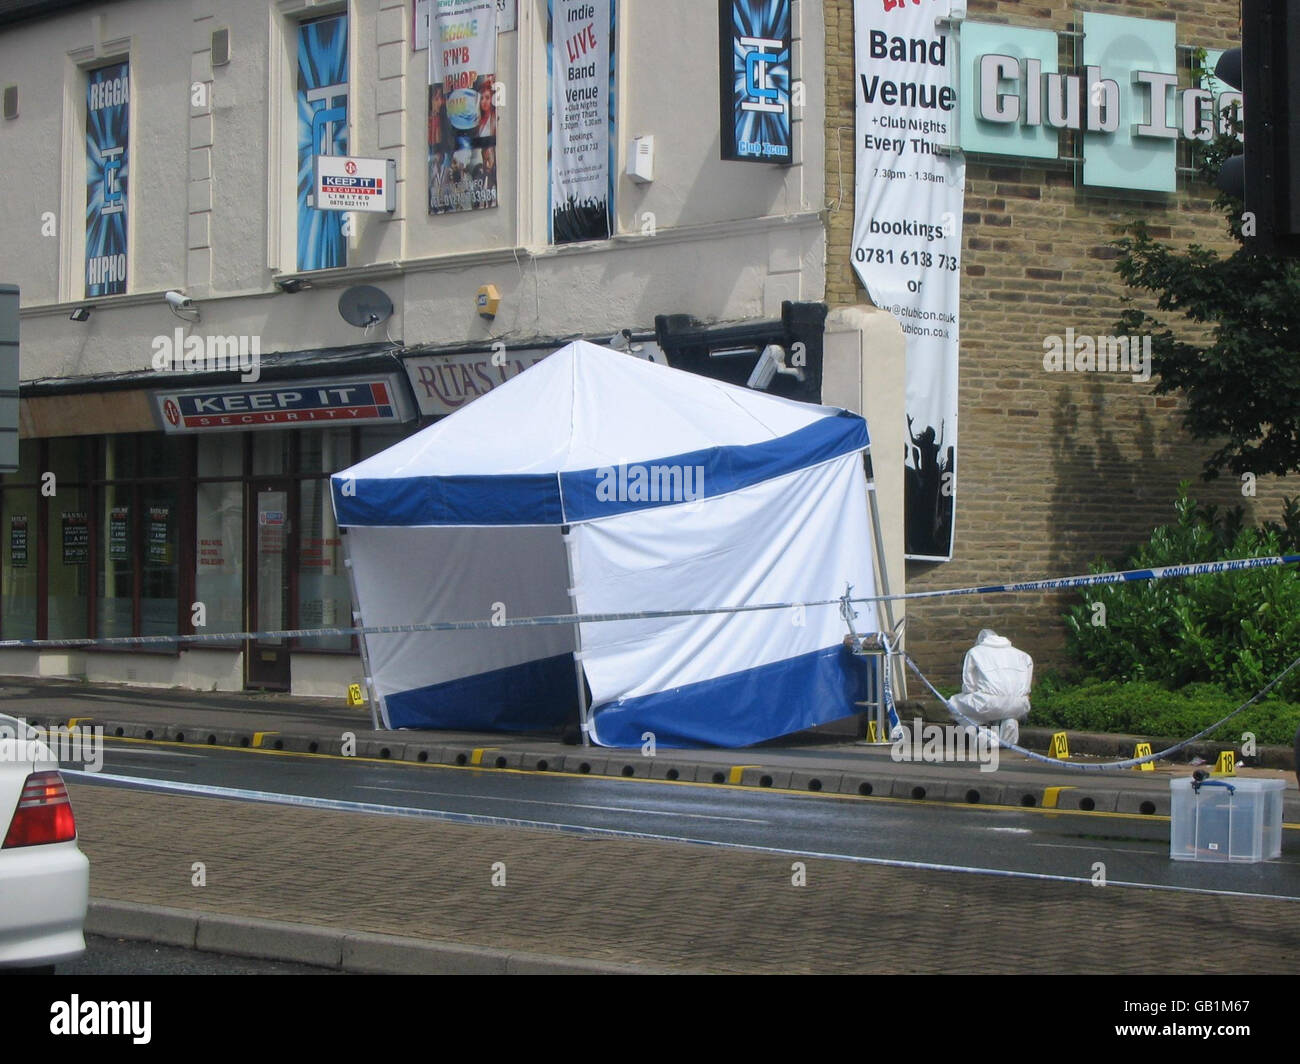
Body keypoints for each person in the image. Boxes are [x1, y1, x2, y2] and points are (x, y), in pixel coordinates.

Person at [948, 629, 1033, 745]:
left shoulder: (974, 652)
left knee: (954, 704)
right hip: (1020, 705)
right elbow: (1027, 687)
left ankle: (982, 733)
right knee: (1001, 709)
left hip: (988, 703)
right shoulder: (1023, 655)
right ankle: (1009, 722)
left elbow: (969, 686)